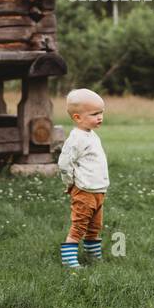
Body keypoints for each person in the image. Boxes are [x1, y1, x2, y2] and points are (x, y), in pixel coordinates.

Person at [56, 87, 109, 269]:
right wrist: (70, 183)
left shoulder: (91, 135)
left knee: (95, 227)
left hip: (98, 191)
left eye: (101, 112)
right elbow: (64, 163)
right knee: (79, 226)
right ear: (77, 117)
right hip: (84, 190)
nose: (100, 117)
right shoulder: (76, 139)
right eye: (95, 114)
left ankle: (93, 256)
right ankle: (69, 260)